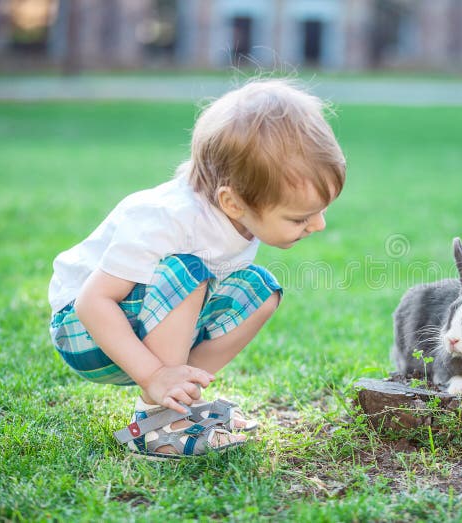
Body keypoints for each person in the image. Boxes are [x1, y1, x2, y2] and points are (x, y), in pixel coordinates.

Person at [47, 79, 346, 459]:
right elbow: (93, 302)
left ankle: (183, 402)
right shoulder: (169, 218)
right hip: (85, 330)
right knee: (188, 271)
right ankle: (158, 418)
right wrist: (153, 376)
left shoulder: (238, 213)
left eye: (321, 210)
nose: (318, 225)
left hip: (141, 324)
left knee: (260, 290)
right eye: (301, 217)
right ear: (233, 202)